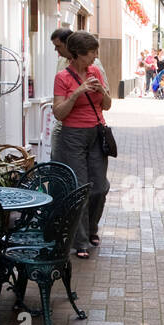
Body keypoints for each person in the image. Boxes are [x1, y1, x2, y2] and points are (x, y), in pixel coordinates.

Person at [52, 31, 112, 258]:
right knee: (80, 189)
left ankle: (92, 228)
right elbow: (59, 113)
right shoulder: (62, 78)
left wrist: (102, 91)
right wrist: (77, 92)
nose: (96, 56)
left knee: (99, 187)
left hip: (96, 133)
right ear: (78, 54)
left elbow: (107, 105)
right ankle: (81, 242)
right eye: (92, 52)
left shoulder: (95, 71)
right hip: (73, 136)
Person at [48, 27, 74, 157]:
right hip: (60, 122)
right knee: (57, 159)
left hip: (80, 124)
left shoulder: (92, 64)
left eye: (58, 46)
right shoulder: (61, 62)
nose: (55, 50)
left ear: (69, 43)